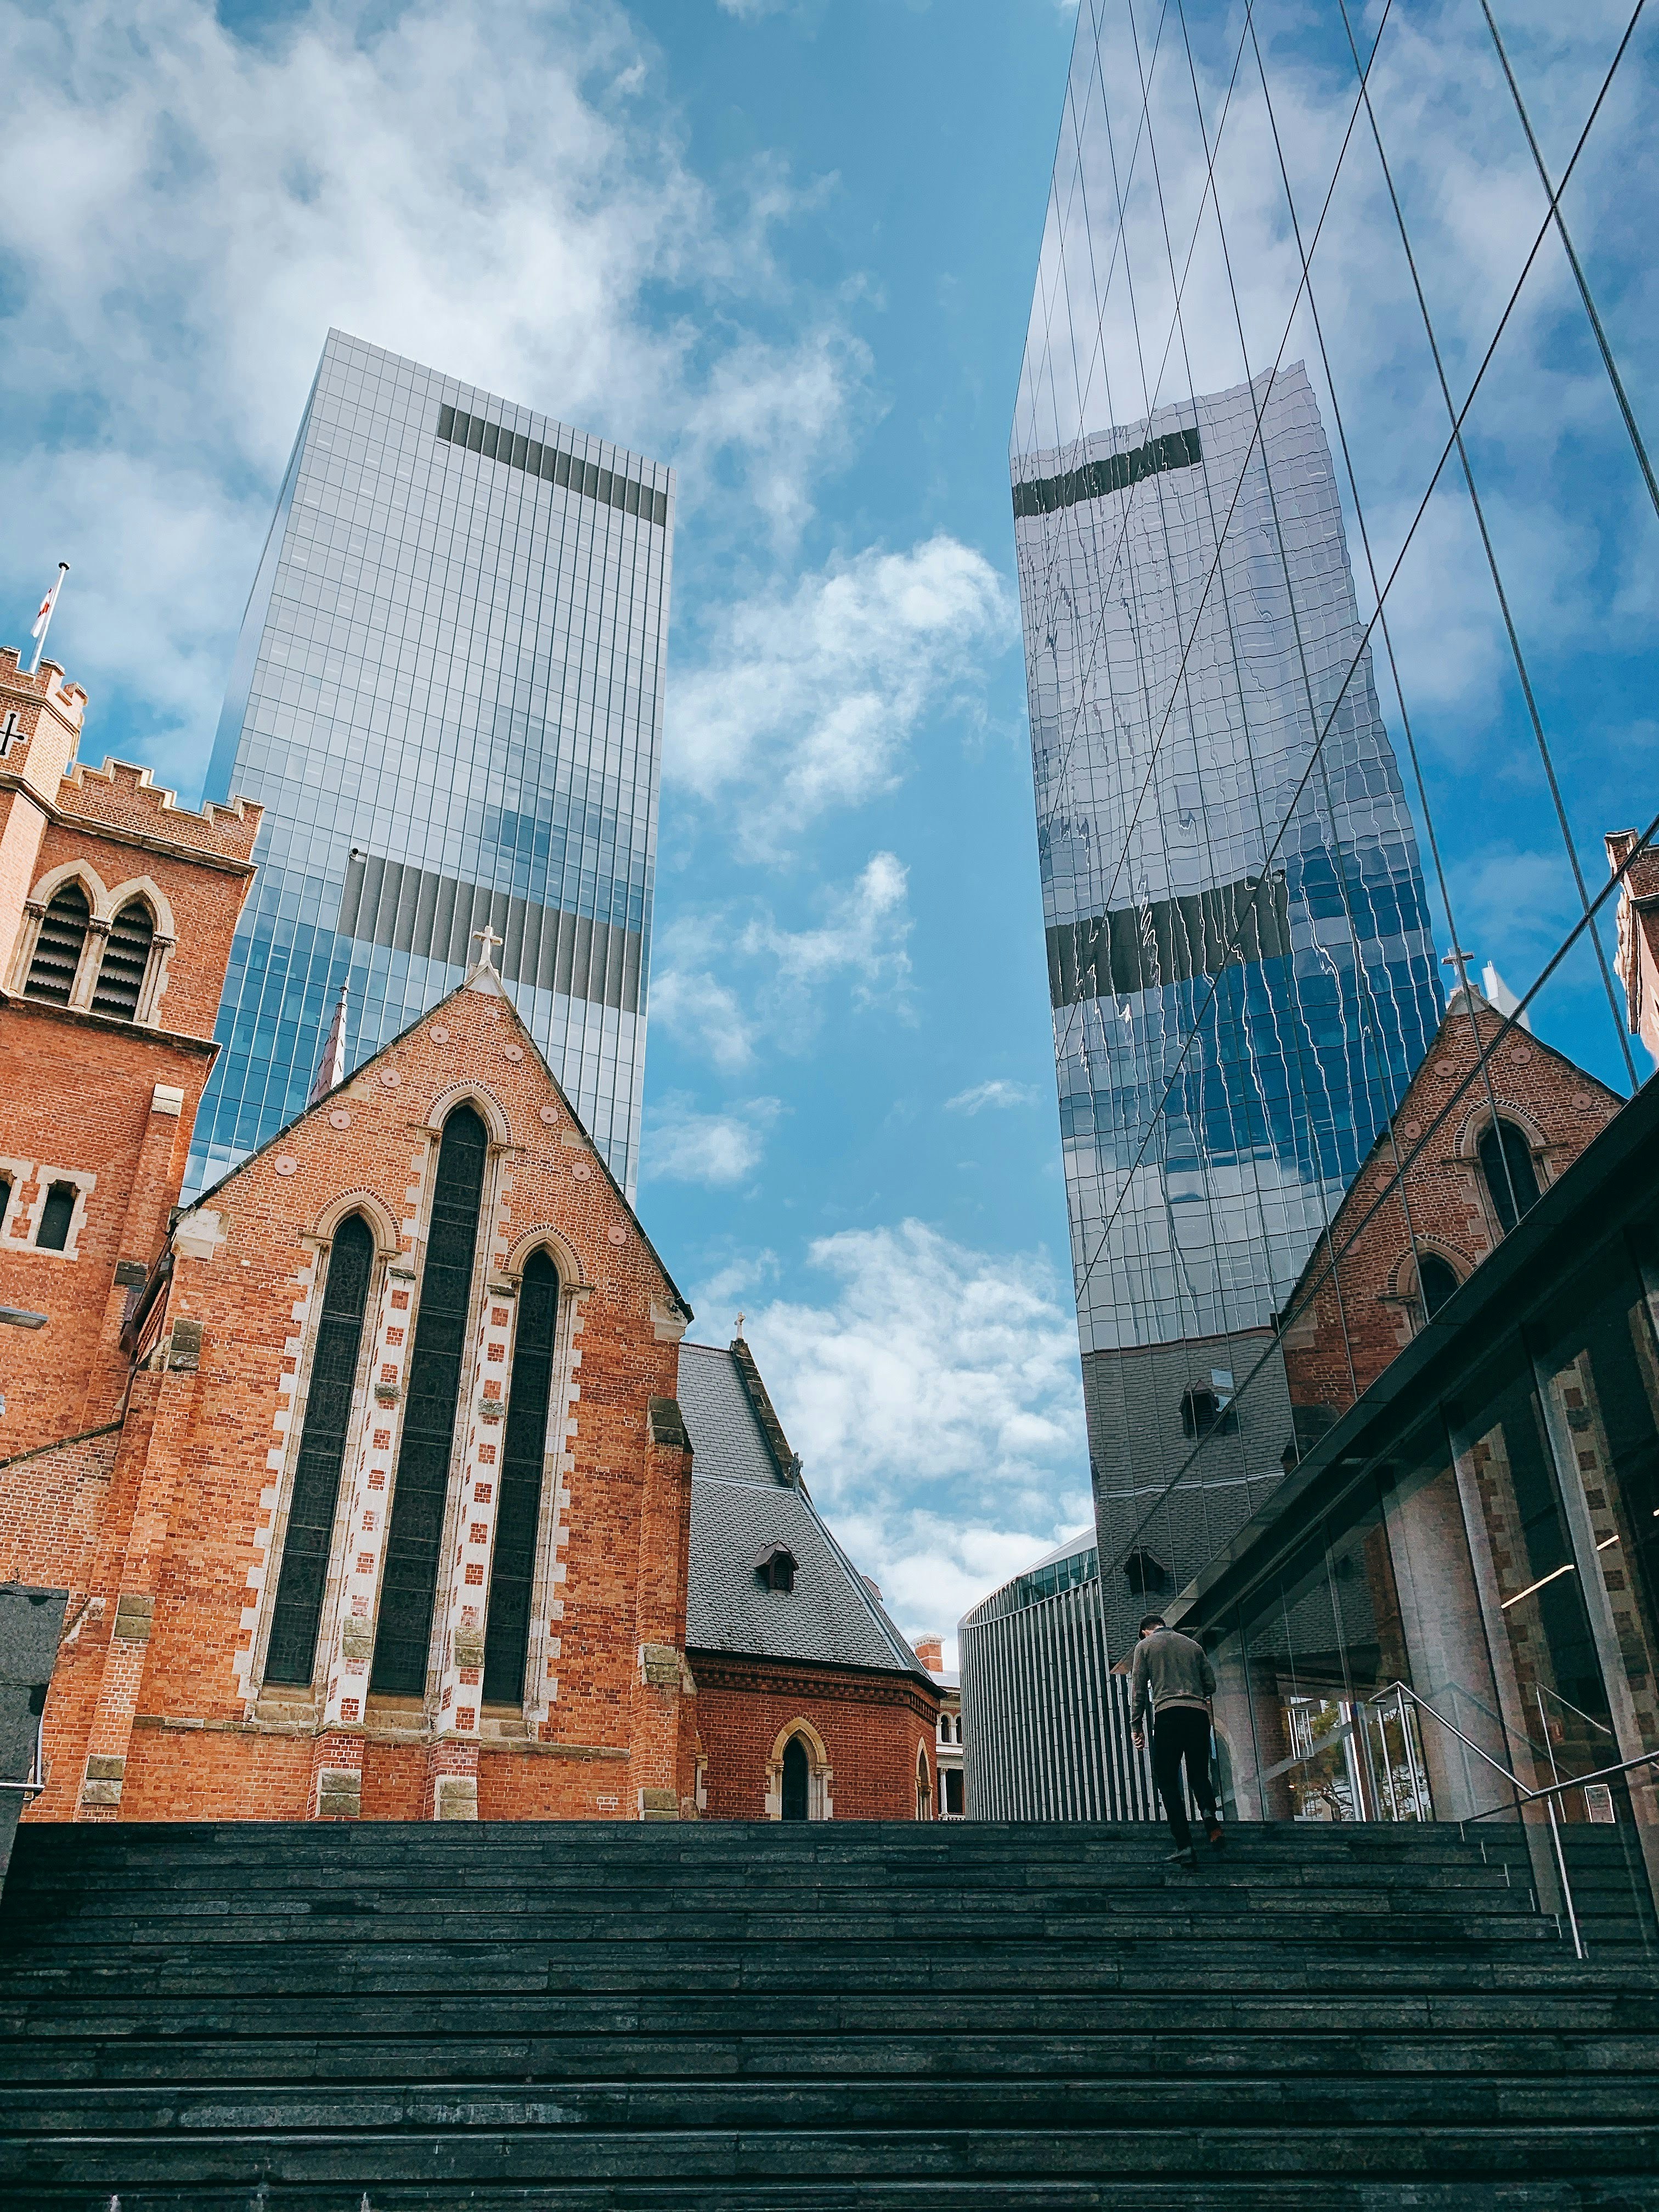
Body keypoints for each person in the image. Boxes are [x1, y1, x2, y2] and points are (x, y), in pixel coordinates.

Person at [1129, 1612, 1223, 1868]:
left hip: (1168, 1714)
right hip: (1198, 1714)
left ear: (1146, 1630)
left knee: (1167, 1778)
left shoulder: (1145, 1647)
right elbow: (1211, 1685)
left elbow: (1138, 1688)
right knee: (1198, 1773)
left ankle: (1184, 1844)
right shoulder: (1192, 1645)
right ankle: (1208, 1815)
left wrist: (1137, 1725)